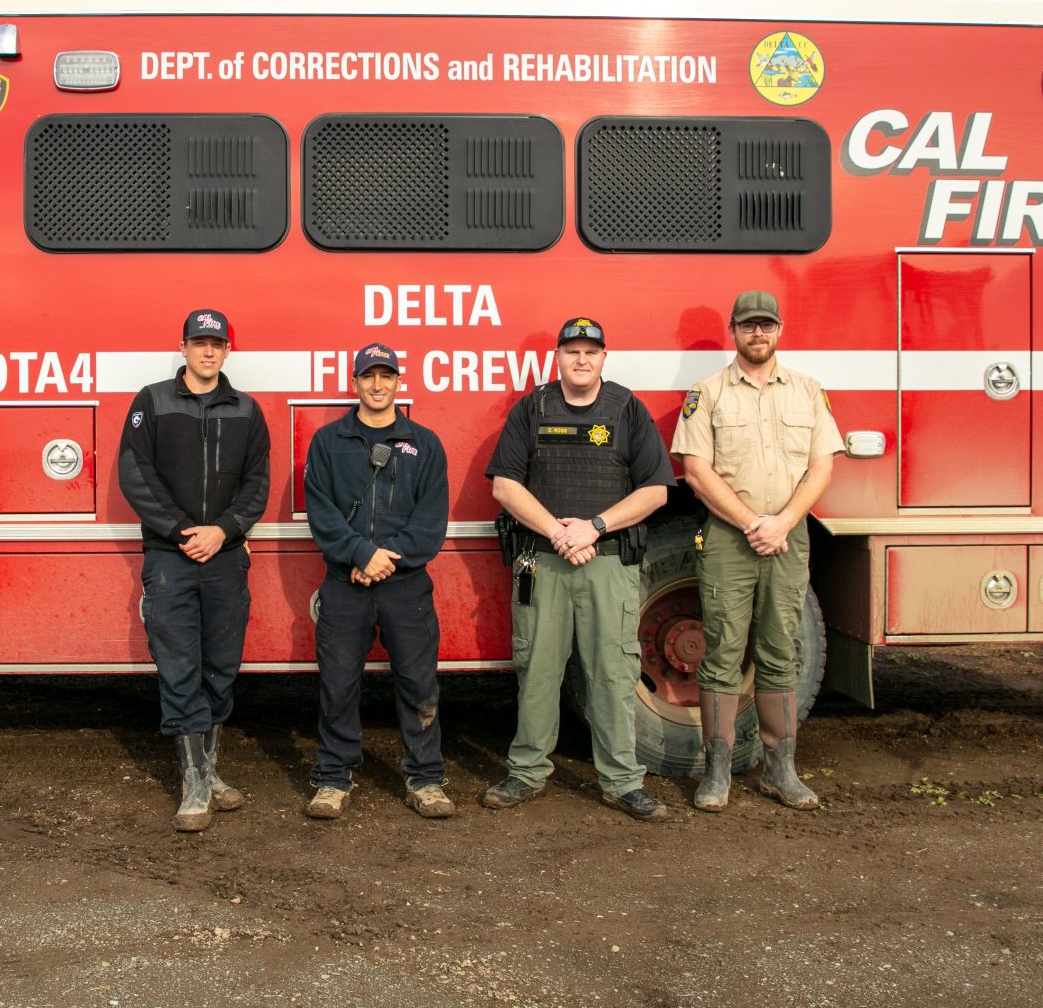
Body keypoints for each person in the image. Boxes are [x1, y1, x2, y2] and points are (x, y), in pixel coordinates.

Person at [480, 318, 674, 821]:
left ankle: (622, 781)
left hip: (607, 563)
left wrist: (594, 526)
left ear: (605, 357)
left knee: (612, 673)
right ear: (558, 358)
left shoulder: (628, 409)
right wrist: (558, 532)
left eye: (591, 351)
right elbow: (504, 485)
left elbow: (656, 489)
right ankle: (526, 771)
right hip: (541, 561)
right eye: (572, 351)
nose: (581, 359)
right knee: (538, 669)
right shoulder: (533, 408)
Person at [672, 290, 843, 812]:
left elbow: (822, 466)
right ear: (734, 330)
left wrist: (784, 522)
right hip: (729, 537)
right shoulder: (708, 394)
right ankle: (717, 772)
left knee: (779, 651)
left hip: (788, 538)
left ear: (780, 329)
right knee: (722, 650)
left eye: (766, 325)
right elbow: (695, 470)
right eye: (748, 326)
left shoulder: (809, 393)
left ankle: (780, 769)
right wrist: (751, 523)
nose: (757, 334)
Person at [117, 308, 272, 832]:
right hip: (171, 557)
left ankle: (209, 768)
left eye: (217, 343)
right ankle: (194, 784)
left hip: (226, 557)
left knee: (222, 665)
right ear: (182, 348)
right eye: (199, 342)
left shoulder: (248, 411)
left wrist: (223, 531)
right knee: (180, 664)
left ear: (229, 351)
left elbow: (257, 485)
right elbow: (136, 475)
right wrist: (186, 530)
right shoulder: (152, 402)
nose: (208, 351)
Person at [301, 342, 454, 820]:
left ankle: (425, 778)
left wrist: (385, 560)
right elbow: (321, 513)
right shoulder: (328, 442)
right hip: (344, 582)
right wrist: (360, 553)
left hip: (405, 583)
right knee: (338, 684)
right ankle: (332, 777)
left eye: (386, 376)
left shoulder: (424, 443)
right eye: (369, 376)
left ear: (398, 382)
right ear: (355, 382)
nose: (377, 385)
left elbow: (431, 521)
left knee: (418, 683)